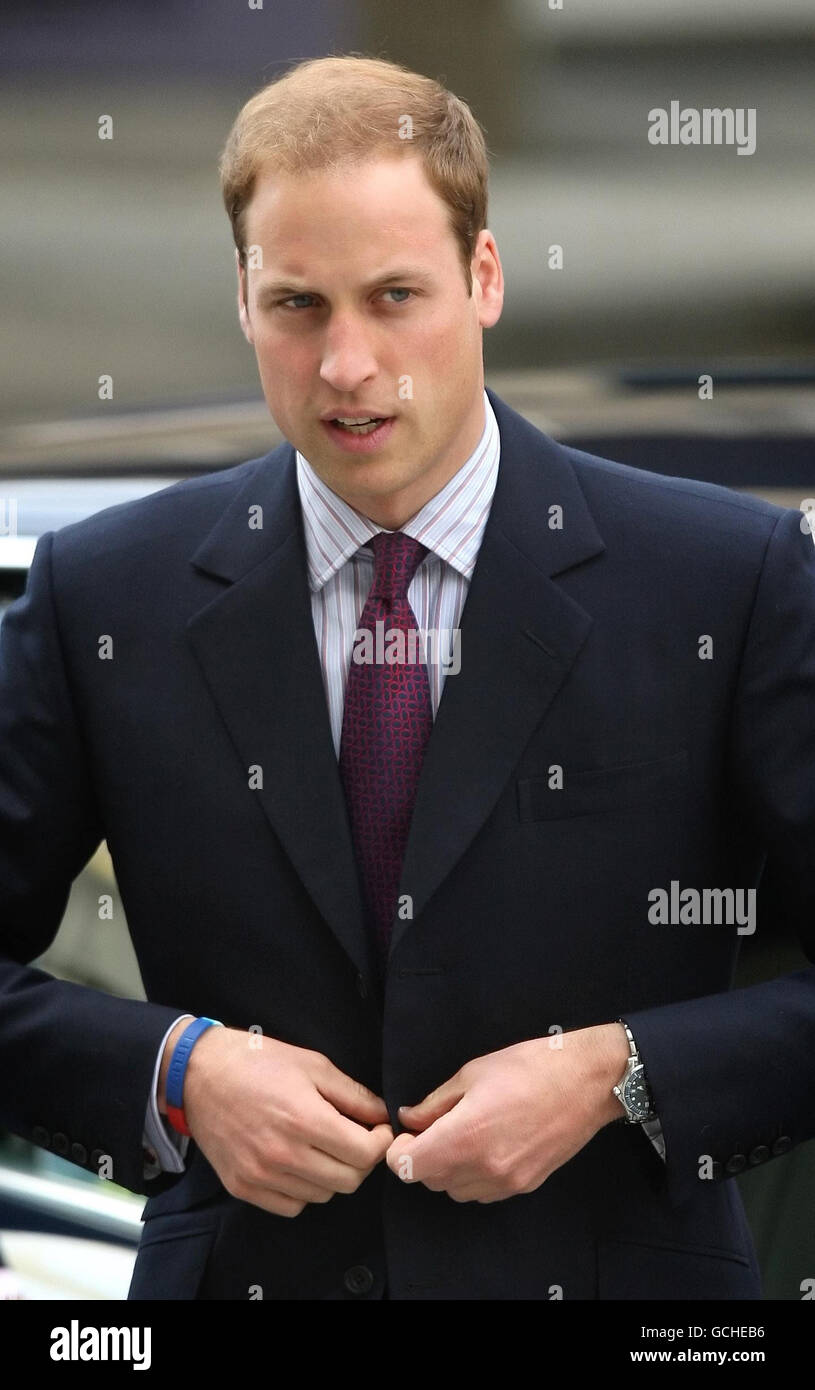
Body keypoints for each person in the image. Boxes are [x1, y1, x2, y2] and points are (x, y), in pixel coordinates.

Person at [1, 54, 813, 1302]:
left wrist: (617, 1073)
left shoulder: (723, 578)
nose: (345, 364)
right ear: (239, 297)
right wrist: (177, 1070)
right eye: (298, 305)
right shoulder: (103, 595)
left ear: (484, 277)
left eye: (393, 295)